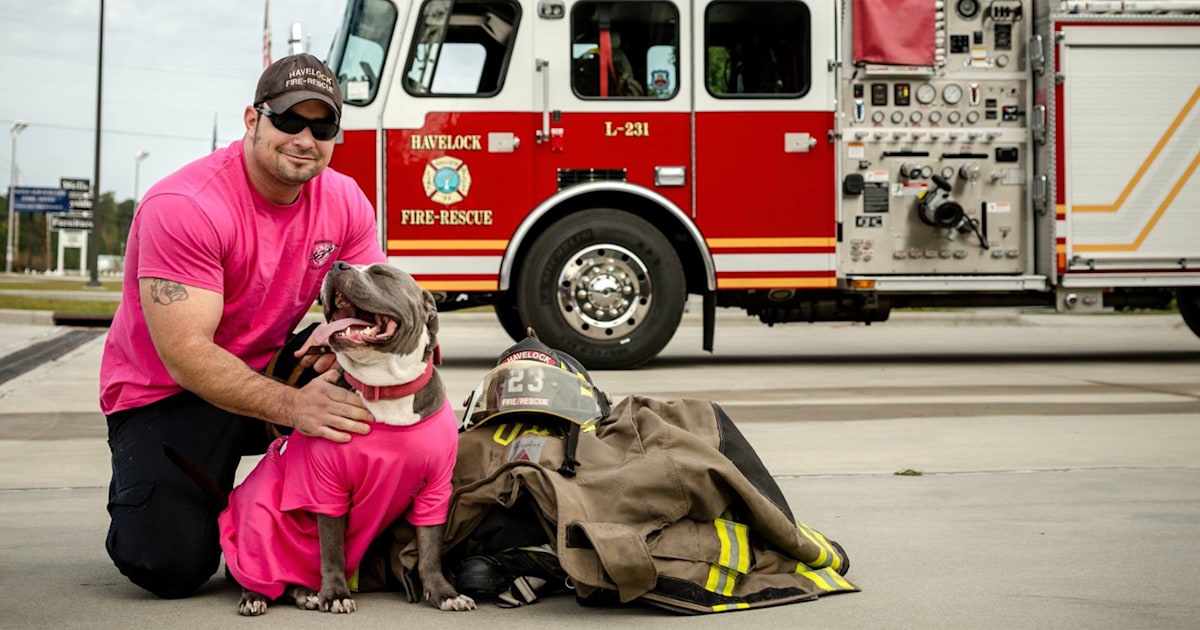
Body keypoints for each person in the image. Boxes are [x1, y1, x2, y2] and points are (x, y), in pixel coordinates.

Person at [99, 53, 387, 599]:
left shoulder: (344, 199)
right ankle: (214, 504)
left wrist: (339, 339)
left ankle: (305, 514)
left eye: (322, 127)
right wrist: (296, 407)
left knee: (374, 385)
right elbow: (186, 354)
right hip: (169, 393)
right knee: (168, 563)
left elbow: (375, 304)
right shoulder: (185, 205)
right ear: (253, 119)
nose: (305, 139)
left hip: (269, 366)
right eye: (289, 120)